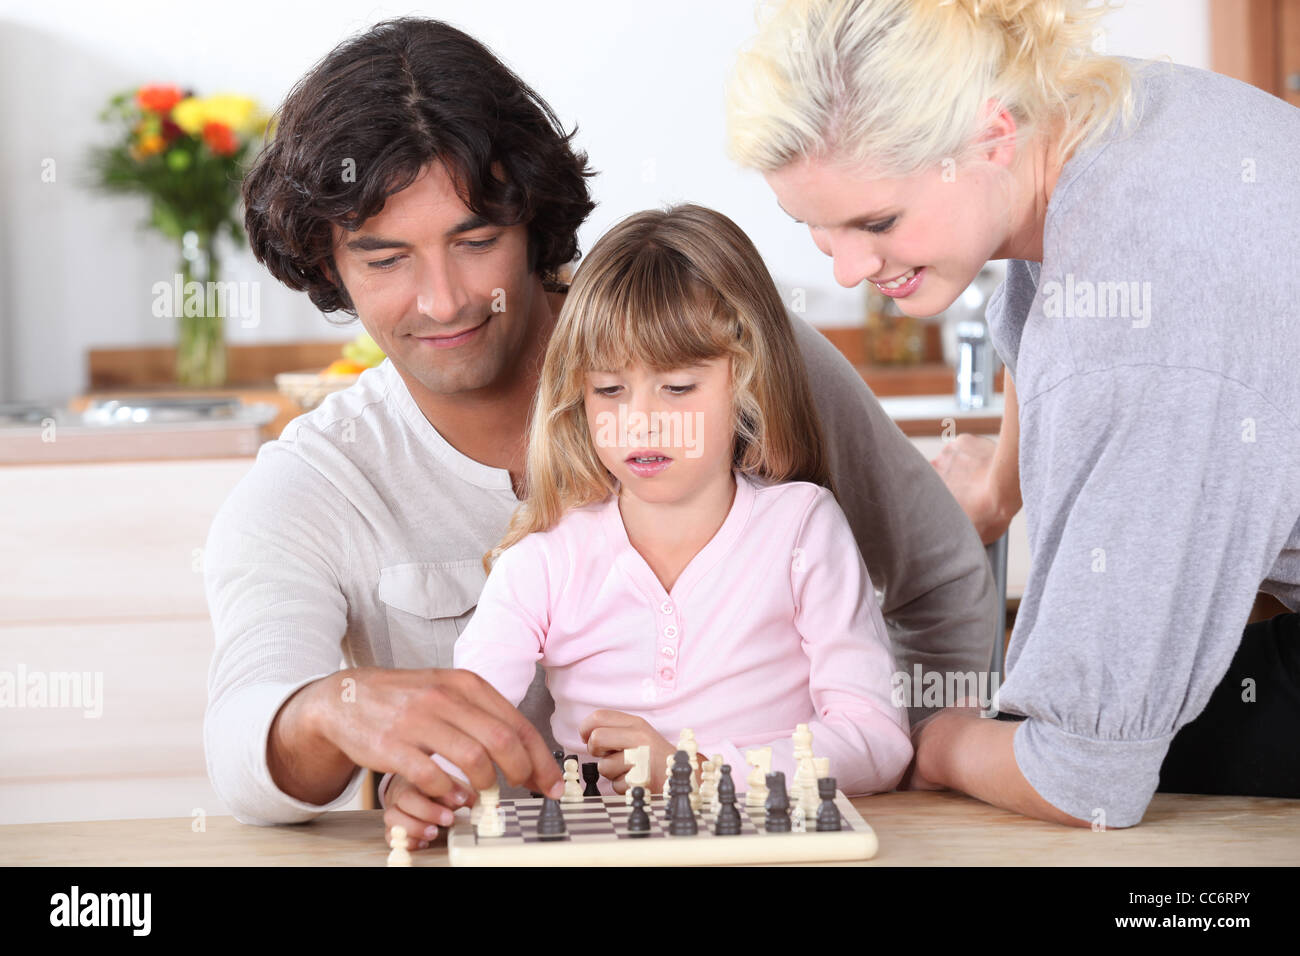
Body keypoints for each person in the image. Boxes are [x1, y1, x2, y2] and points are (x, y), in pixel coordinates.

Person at [207, 16, 997, 853]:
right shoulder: (312, 484)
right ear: (328, 265)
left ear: (531, 225)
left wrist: (891, 778)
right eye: (385, 258)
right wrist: (333, 710)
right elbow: (243, 742)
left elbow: (939, 577)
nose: (441, 300)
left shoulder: (730, 346)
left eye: (476, 241)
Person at [725, 0, 1300, 828]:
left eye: (877, 221)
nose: (850, 269)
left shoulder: (1136, 341)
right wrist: (998, 490)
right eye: (816, 228)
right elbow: (1049, 301)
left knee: (1135, 735)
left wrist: (939, 740)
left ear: (990, 137)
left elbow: (1085, 779)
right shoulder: (1096, 116)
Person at [377, 204, 911, 829]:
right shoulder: (546, 557)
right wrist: (417, 786)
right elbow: (461, 717)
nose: (640, 420)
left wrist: (697, 772)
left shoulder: (802, 528)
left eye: (677, 387)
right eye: (609, 390)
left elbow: (878, 744)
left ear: (747, 379)